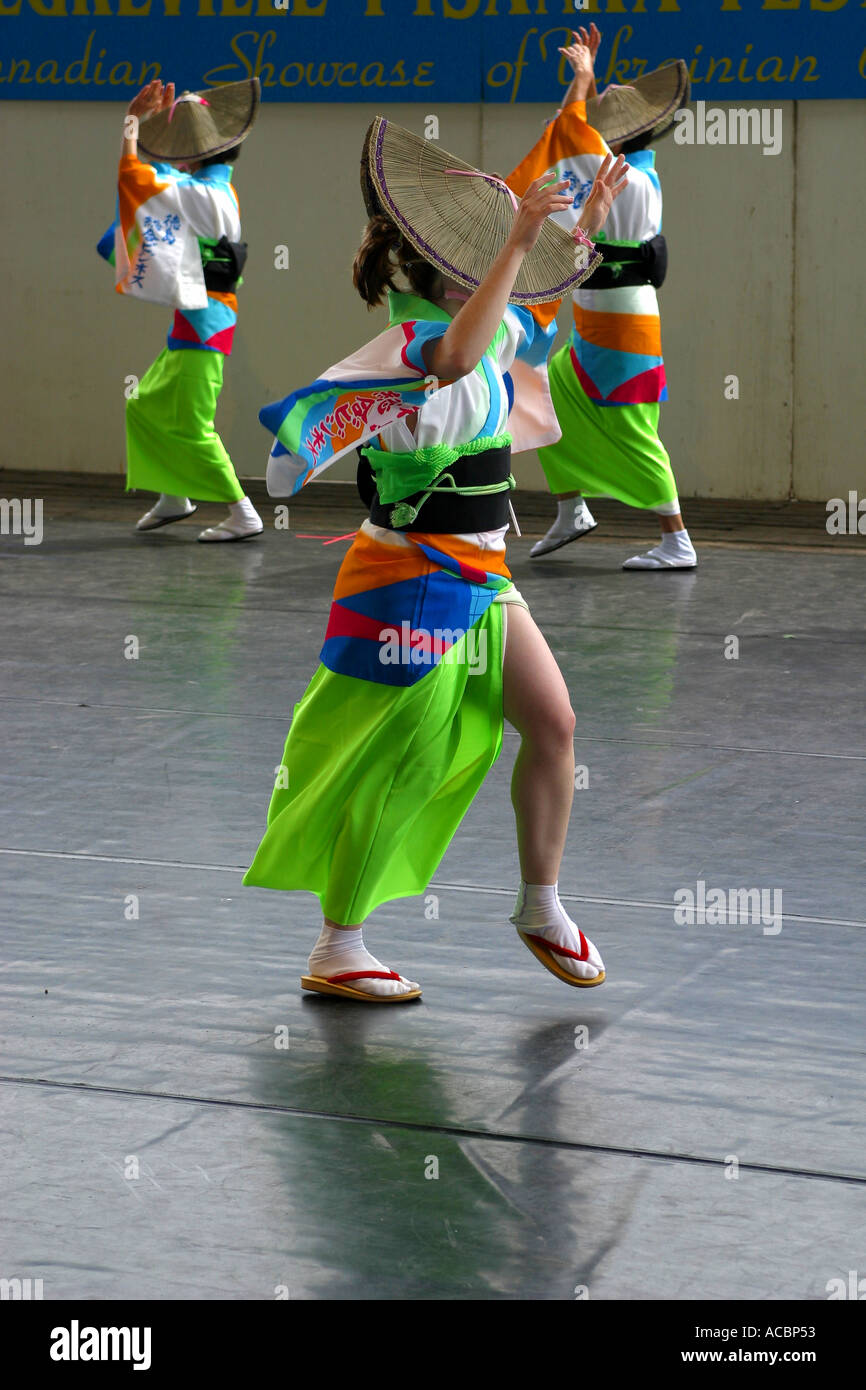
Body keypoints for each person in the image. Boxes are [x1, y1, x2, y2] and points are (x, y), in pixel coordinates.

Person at [243, 117, 627, 1002]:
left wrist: (584, 234)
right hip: (408, 583)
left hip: (481, 577)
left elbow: (526, 323)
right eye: (488, 256)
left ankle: (541, 902)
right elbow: (454, 359)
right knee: (402, 758)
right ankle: (339, 943)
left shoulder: (485, 336)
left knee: (555, 724)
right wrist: (528, 237)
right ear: (440, 270)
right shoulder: (416, 346)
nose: (504, 267)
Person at [508, 25, 696, 570]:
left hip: (621, 327)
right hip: (603, 318)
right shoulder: (628, 169)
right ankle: (571, 509)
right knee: (545, 396)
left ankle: (676, 539)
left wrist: (584, 78)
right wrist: (584, 82)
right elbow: (569, 135)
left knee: (632, 428)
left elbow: (564, 134)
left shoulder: (619, 177)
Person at [98, 77, 263, 542]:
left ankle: (243, 512)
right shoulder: (203, 187)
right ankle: (174, 494)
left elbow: (137, 179)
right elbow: (157, 185)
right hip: (196, 320)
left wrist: (134, 122)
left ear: (193, 156)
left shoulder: (205, 194)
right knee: (145, 405)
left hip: (208, 323)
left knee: (193, 424)